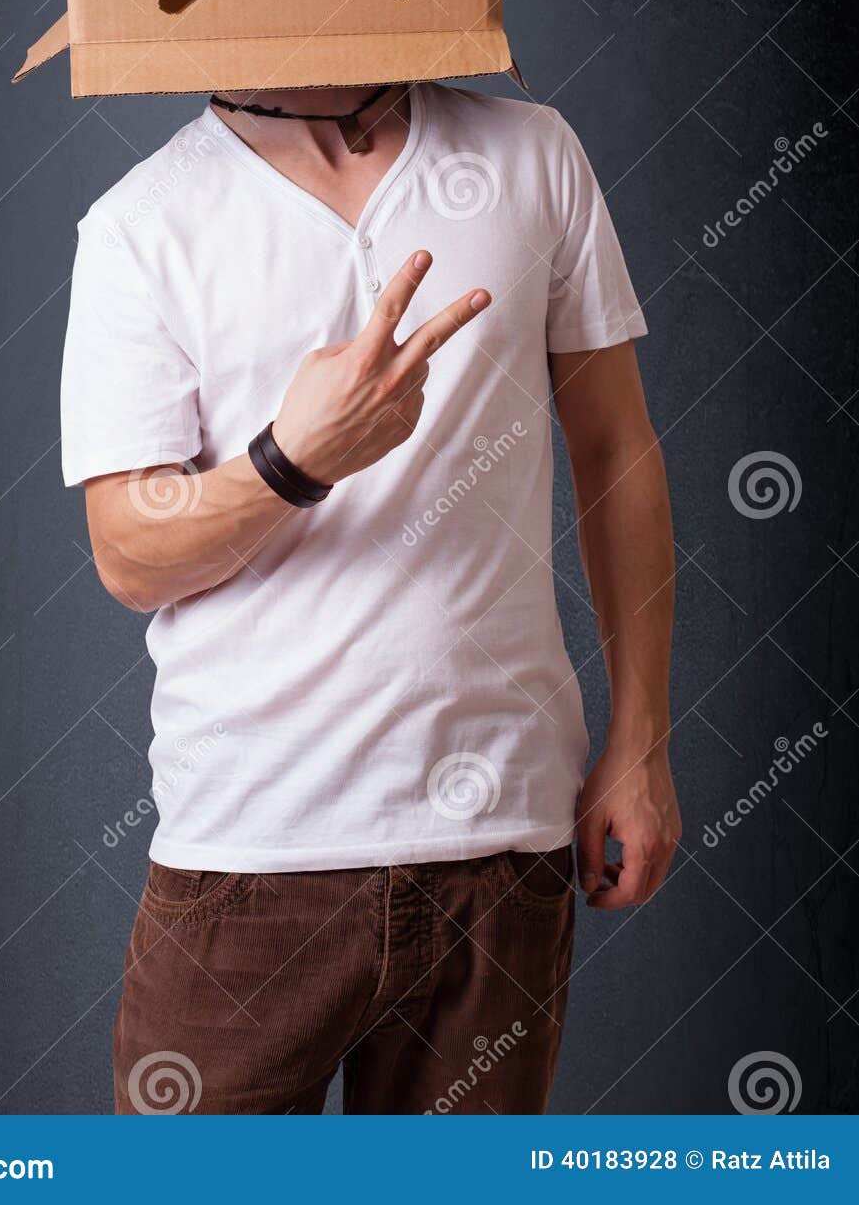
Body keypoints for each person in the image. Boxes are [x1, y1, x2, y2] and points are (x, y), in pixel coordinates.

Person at [60, 78, 680, 1115]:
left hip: (501, 847)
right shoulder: (145, 219)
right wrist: (294, 458)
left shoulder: (529, 154)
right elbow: (129, 551)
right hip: (251, 857)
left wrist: (641, 739)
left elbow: (617, 447)